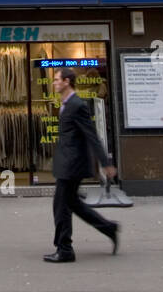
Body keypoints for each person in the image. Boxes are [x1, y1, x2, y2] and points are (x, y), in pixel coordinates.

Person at [44, 68, 119, 262]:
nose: (54, 83)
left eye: (57, 80)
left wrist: (105, 163)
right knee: (71, 203)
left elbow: (91, 135)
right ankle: (108, 228)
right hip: (67, 162)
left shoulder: (77, 105)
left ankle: (65, 249)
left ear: (67, 81)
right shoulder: (65, 104)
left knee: (61, 206)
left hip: (72, 164)